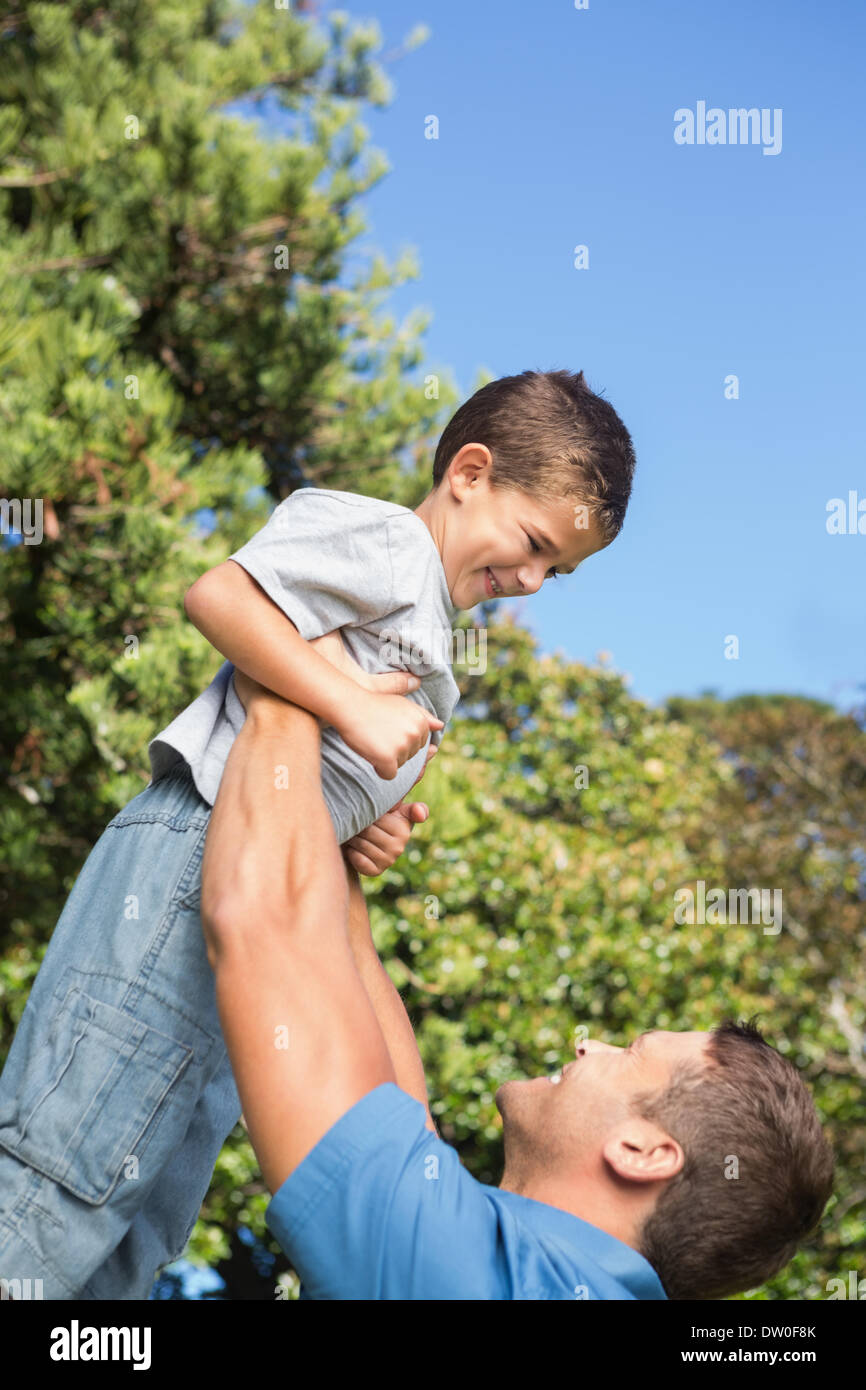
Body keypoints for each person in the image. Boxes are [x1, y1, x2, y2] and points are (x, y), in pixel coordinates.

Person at [0, 368, 635, 1298]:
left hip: (255, 920)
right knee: (78, 1160)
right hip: (189, 858)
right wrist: (347, 704)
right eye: (535, 544)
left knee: (146, 1206)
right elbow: (220, 598)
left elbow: (324, 775)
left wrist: (361, 829)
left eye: (558, 573)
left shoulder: (433, 632)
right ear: (468, 472)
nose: (534, 581)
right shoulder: (383, 542)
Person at [200, 669, 835, 1301]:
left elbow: (262, 925)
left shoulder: (475, 1279)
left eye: (633, 1053)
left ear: (643, 1151)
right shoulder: (528, 1277)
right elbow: (397, 1120)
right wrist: (348, 826)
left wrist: (293, 687)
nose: (592, 1048)